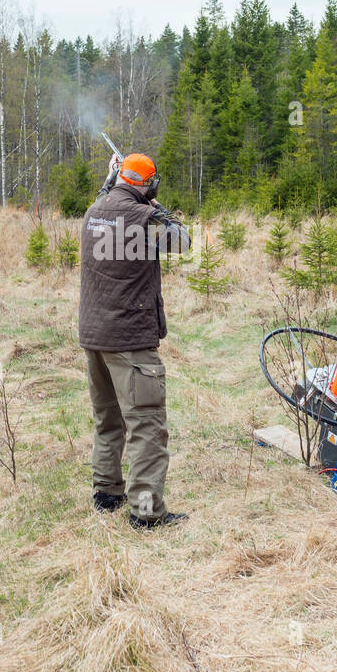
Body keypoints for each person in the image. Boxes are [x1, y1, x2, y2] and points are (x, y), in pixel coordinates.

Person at [78, 150, 192, 529]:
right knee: (146, 425)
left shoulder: (94, 211)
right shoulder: (144, 217)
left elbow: (107, 198)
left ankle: (107, 493)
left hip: (94, 338)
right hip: (129, 340)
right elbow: (183, 241)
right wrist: (155, 206)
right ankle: (145, 512)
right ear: (147, 185)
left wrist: (113, 180)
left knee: (108, 419)